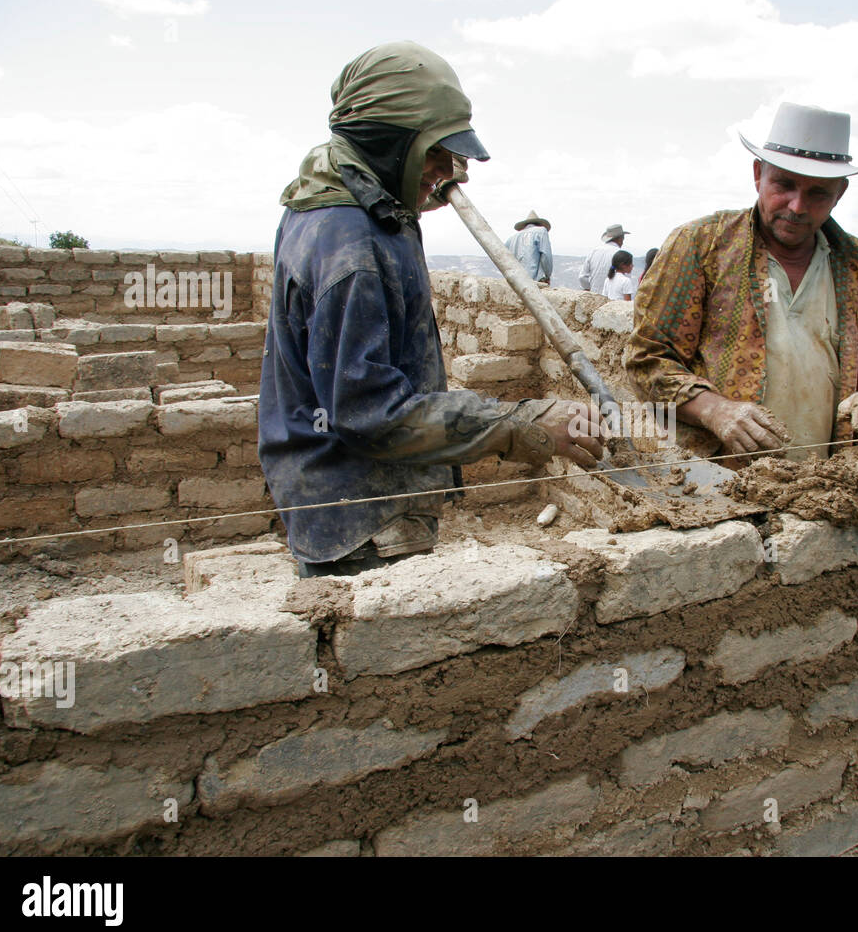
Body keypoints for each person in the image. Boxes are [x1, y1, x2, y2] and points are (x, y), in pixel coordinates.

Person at [259, 42, 605, 578]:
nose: (454, 174)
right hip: (361, 518)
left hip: (354, 504)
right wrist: (522, 424)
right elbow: (368, 413)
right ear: (388, 145)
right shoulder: (351, 245)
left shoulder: (363, 207)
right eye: (437, 153)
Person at [626, 102, 858, 463]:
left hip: (822, 483)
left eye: (818, 193)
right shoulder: (702, 245)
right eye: (784, 185)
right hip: (717, 479)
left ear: (839, 193)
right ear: (758, 175)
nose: (797, 206)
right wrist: (715, 410)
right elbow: (647, 358)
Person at [505, 209, 553, 283]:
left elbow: (505, 260)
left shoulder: (511, 238)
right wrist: (547, 275)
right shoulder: (541, 231)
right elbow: (546, 256)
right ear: (539, 224)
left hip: (515, 281)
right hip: (533, 280)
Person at [579, 223, 628, 293]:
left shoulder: (594, 251)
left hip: (594, 296)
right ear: (620, 239)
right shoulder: (621, 254)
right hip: (613, 299)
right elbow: (625, 280)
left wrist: (589, 289)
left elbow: (582, 277)